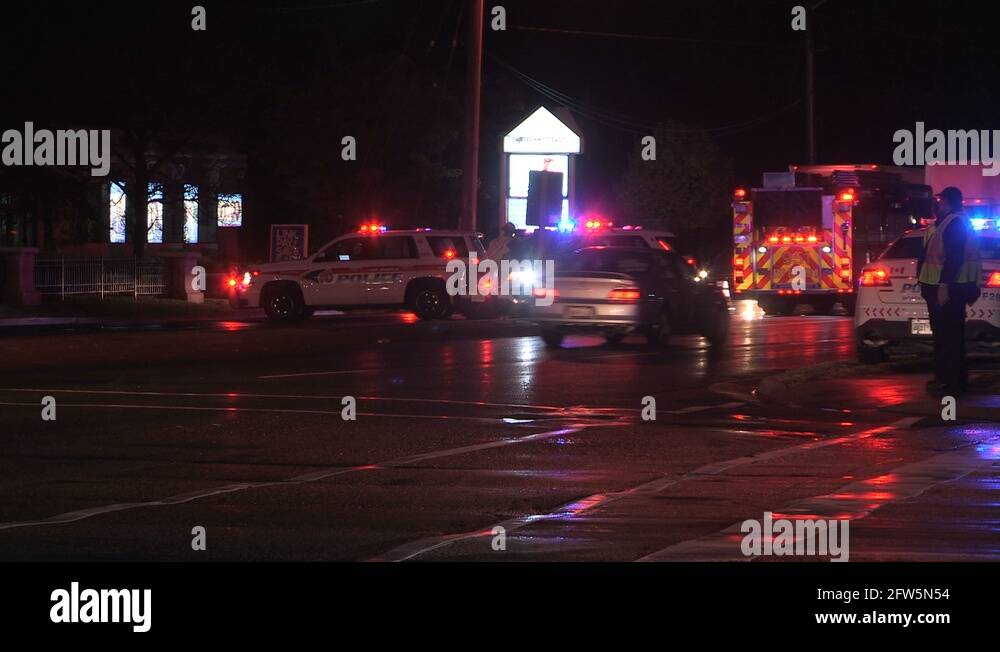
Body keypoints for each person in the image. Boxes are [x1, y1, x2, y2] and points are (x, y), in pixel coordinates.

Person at [917, 186, 982, 395]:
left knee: (949, 338)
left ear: (948, 202)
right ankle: (947, 379)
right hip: (942, 288)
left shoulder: (955, 223)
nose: (938, 204)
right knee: (945, 337)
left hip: (949, 289)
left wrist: (944, 287)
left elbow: (954, 258)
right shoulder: (946, 223)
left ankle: (952, 383)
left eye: (941, 201)